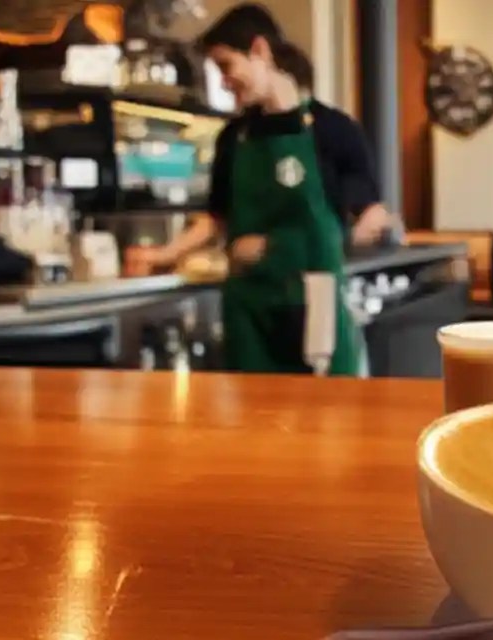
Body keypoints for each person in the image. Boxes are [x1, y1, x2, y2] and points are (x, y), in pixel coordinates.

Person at [134, 4, 391, 375]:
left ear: (259, 51)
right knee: (254, 416)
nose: (223, 81)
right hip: (248, 310)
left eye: (226, 66)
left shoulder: (334, 131)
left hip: (314, 302)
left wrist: (280, 247)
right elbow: (215, 218)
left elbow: (369, 213)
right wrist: (163, 254)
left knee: (329, 414)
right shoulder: (232, 138)